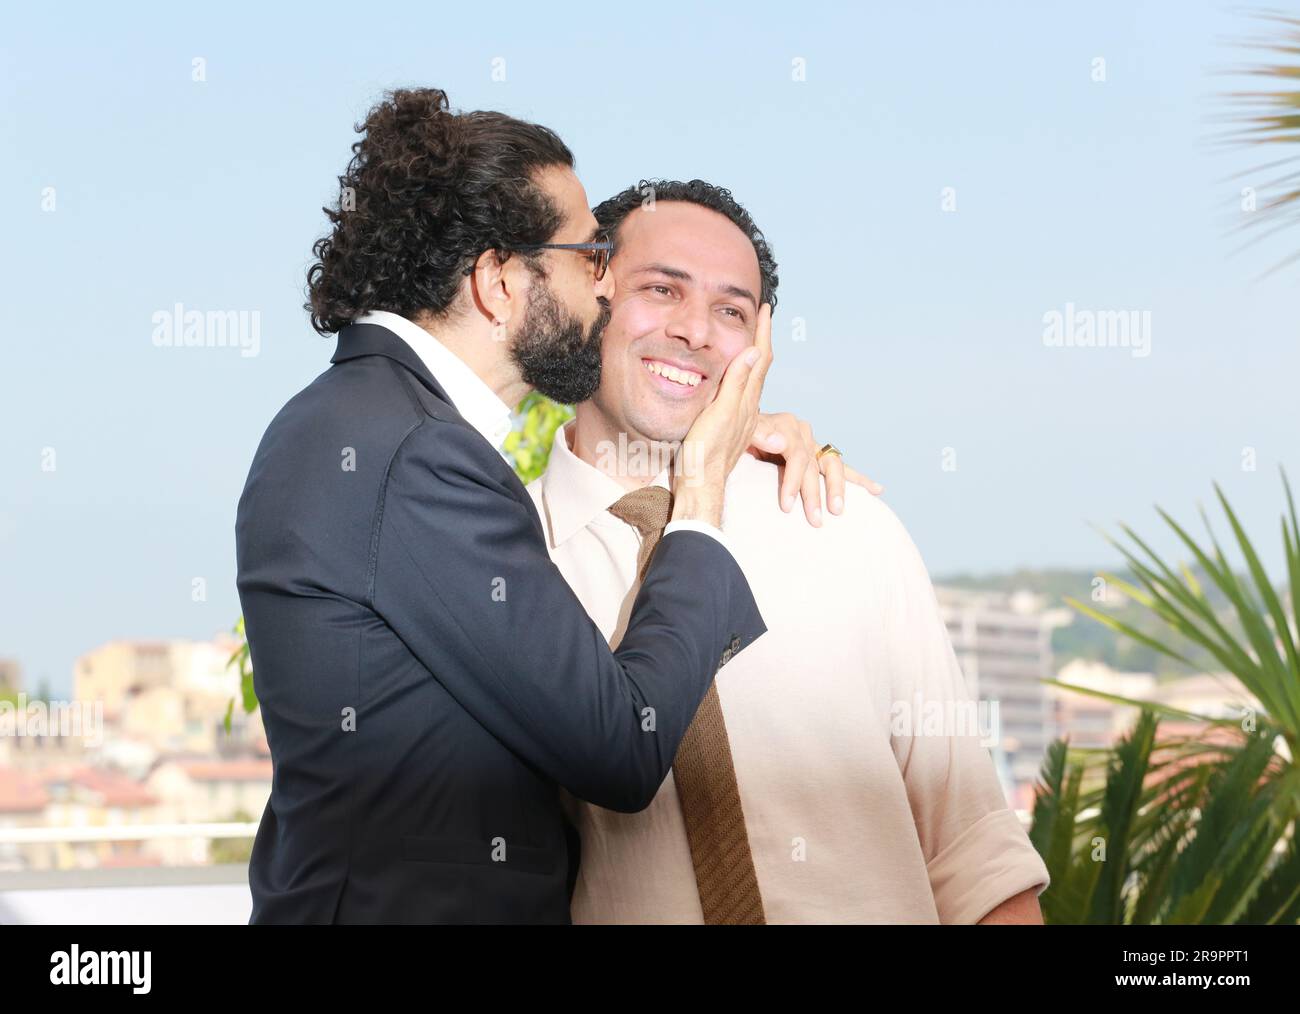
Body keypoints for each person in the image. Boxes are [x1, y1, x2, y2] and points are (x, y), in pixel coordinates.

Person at [235, 91, 863, 924]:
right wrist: (702, 492)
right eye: (589, 255)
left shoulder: (357, 421)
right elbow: (623, 746)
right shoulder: (417, 454)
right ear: (499, 281)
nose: (605, 287)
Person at [527, 179, 1051, 923]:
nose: (697, 332)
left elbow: (974, 857)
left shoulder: (843, 528)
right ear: (592, 293)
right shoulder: (511, 568)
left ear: (761, 344)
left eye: (730, 310)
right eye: (662, 290)